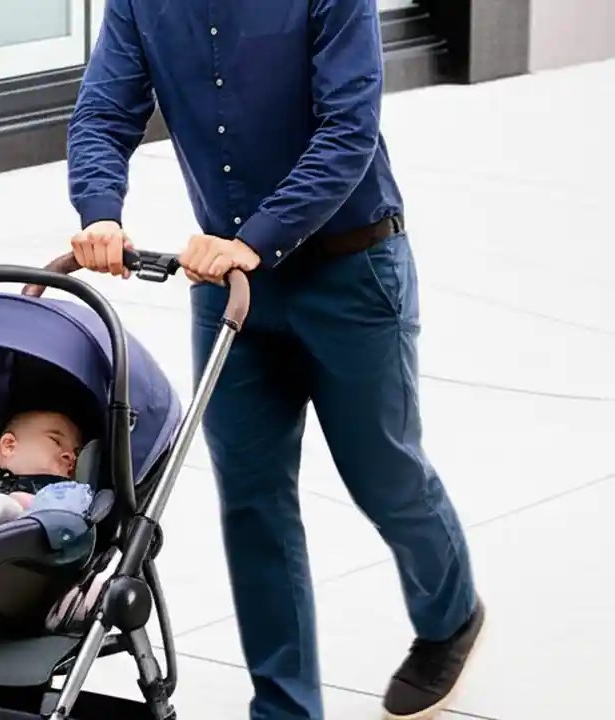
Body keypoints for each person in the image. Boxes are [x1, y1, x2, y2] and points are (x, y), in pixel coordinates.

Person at [64, 1, 483, 718]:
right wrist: (99, 209)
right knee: (253, 502)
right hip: (231, 290)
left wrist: (256, 238)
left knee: (385, 475)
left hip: (352, 271)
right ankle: (286, 708)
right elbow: (103, 113)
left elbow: (347, 133)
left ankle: (451, 618)